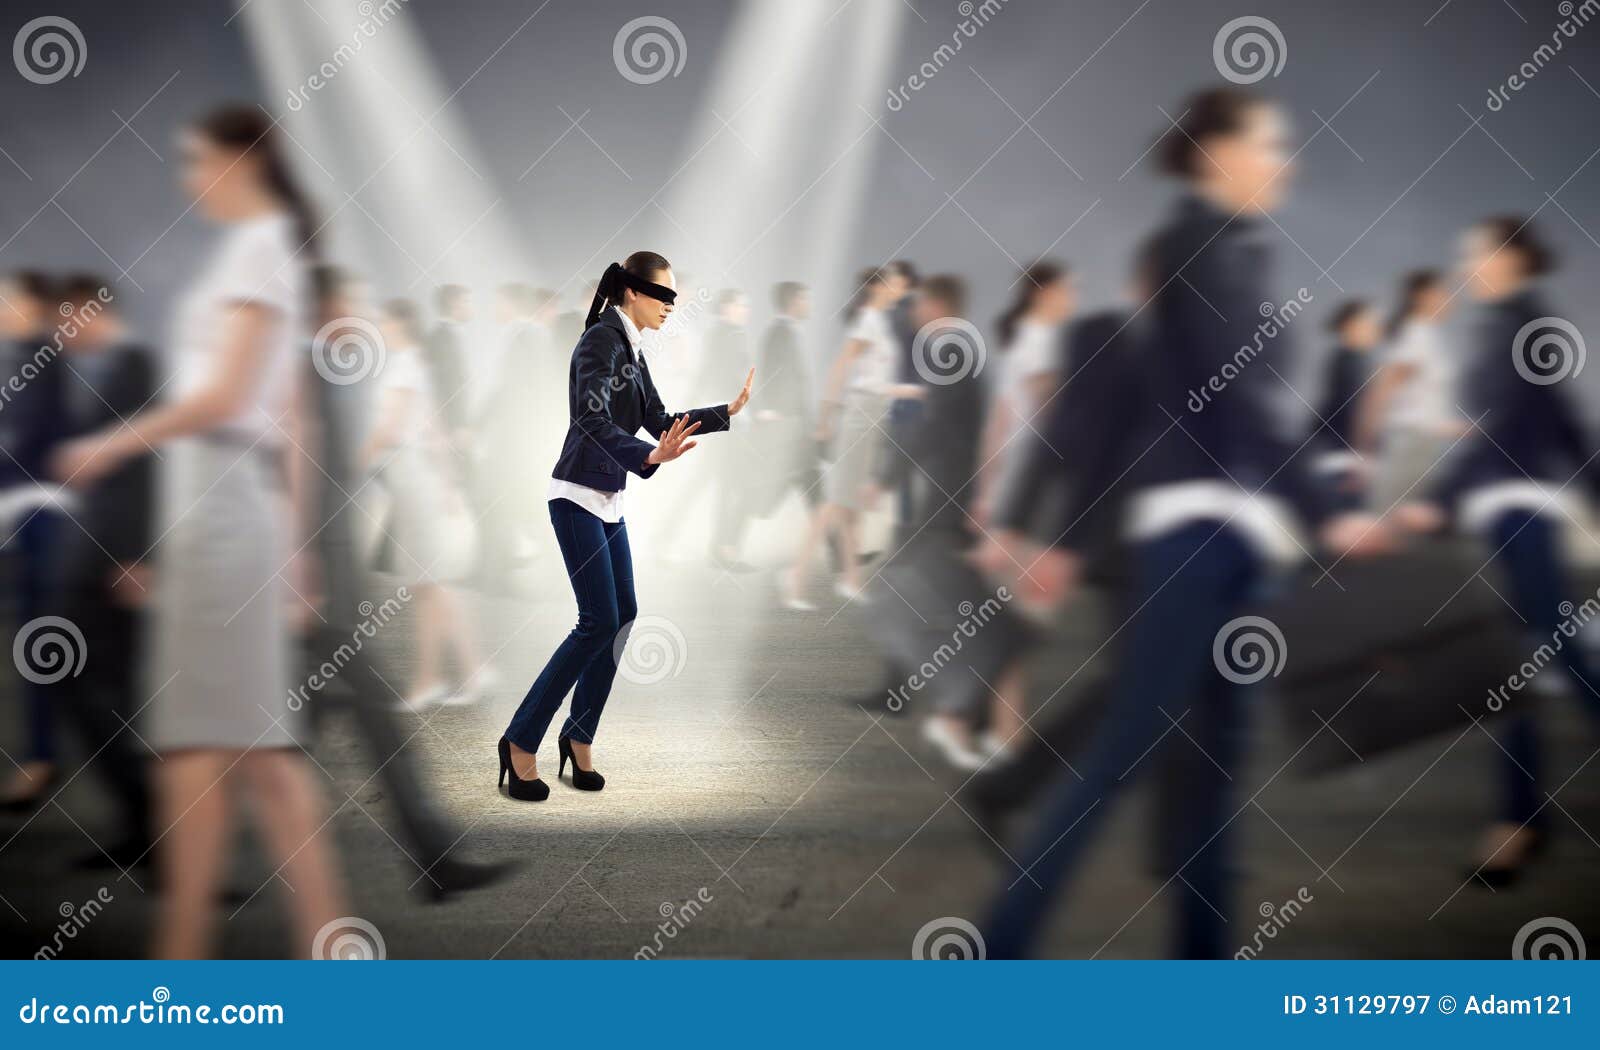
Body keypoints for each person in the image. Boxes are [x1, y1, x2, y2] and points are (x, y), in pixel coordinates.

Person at [982, 88, 1389, 959]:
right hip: (1191, 540)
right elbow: (1235, 402)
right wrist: (1330, 516)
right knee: (1122, 753)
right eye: (1270, 144)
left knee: (1209, 778)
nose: (1287, 162)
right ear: (1216, 153)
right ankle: (999, 951)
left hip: (1236, 542)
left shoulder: (1240, 252)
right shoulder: (1195, 244)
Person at [51, 104, 345, 958]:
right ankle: (302, 949)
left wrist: (106, 446)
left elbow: (229, 401)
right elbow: (294, 418)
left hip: (220, 506)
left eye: (196, 161)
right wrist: (296, 552)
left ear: (241, 159)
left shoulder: (260, 248)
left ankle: (183, 964)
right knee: (247, 750)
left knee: (203, 745)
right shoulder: (260, 248)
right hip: (218, 508)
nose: (188, 180)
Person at [498, 251, 755, 802]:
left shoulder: (631, 351)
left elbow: (660, 421)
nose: (670, 306)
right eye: (664, 295)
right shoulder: (599, 342)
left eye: (674, 297)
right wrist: (648, 457)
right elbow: (588, 420)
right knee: (597, 621)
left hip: (608, 499)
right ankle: (521, 741)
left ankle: (578, 736)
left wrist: (723, 413)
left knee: (621, 618)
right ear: (632, 293)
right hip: (575, 497)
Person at [1394, 217, 1600, 887]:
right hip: (1512, 507)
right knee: (1525, 664)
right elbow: (1566, 421)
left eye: (1475, 250)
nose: (1465, 263)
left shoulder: (1518, 322)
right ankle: (1519, 822)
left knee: (1548, 657)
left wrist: (1440, 497)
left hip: (1519, 507)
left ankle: (1517, 823)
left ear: (1511, 257)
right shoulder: (1512, 323)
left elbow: (1504, 423)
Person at [41, 275, 157, 868]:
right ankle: (142, 826)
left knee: (111, 696)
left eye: (70, 317)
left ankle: (151, 831)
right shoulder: (108, 369)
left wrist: (139, 556)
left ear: (93, 310)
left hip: (119, 563)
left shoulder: (138, 366)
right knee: (92, 691)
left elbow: (151, 468)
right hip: (95, 557)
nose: (63, 332)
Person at [360, 298, 493, 709]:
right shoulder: (415, 363)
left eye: (383, 319)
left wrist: (351, 464)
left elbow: (391, 427)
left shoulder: (403, 365)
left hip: (413, 479)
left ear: (400, 323)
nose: (379, 326)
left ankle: (437, 679)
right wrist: (450, 484)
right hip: (419, 479)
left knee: (428, 582)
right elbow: (434, 428)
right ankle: (463, 672)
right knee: (429, 584)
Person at [783, 268, 922, 607]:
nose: (897, 289)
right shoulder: (868, 321)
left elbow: (875, 379)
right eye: (890, 283)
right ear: (875, 288)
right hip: (860, 417)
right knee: (834, 503)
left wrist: (906, 391)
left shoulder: (877, 321)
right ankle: (795, 577)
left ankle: (851, 580)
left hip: (873, 414)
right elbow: (841, 369)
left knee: (849, 505)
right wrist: (826, 419)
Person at [0, 270, 64, 813]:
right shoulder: (25, 358)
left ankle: (42, 759)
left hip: (48, 521)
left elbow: (30, 448)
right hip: (29, 520)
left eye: (6, 300)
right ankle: (41, 756)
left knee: (44, 640)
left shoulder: (44, 362)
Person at [1359, 269, 1461, 510]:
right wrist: (1364, 445)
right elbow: (1382, 390)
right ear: (1422, 296)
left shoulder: (1425, 335)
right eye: (1444, 292)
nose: (1451, 298)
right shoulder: (1417, 335)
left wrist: (1450, 427)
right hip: (1411, 444)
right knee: (1387, 519)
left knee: (1403, 521)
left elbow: (1417, 401)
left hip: (1419, 442)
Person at [698, 289, 756, 571]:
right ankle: (723, 550)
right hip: (727, 419)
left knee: (723, 484)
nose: (745, 309)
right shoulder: (726, 336)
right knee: (733, 485)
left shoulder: (730, 335)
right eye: (741, 305)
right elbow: (719, 375)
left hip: (726, 418)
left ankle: (721, 549)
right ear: (726, 308)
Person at [1309, 299, 1381, 508]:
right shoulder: (1350, 363)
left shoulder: (1350, 361)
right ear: (1350, 326)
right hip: (1344, 457)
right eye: (1370, 323)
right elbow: (1354, 412)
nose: (1375, 329)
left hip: (1340, 454)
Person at [425, 283, 474, 452]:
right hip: (448, 425)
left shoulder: (453, 334)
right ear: (454, 303)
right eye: (467, 302)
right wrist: (458, 425)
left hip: (455, 423)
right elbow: (445, 384)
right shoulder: (439, 337)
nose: (471, 307)